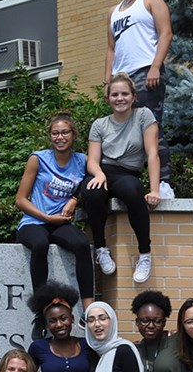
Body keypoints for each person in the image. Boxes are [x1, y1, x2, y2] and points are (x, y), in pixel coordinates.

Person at [67, 73, 162, 285]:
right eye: (115, 94)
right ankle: (101, 249)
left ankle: (144, 254)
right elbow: (92, 160)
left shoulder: (144, 116)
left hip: (128, 173)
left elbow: (153, 153)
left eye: (125, 94)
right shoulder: (100, 124)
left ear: (133, 96)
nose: (120, 98)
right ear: (108, 98)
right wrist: (99, 173)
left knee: (132, 189)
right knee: (92, 192)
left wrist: (155, 190)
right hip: (102, 171)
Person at [104, 0, 174, 198]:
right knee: (126, 130)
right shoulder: (114, 11)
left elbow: (166, 33)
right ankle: (129, 182)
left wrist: (156, 66)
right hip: (122, 78)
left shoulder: (151, 0)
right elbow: (111, 48)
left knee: (151, 127)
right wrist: (108, 80)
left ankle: (163, 183)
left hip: (146, 71)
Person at [15, 111, 94, 317]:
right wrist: (48, 218)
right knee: (40, 244)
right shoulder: (38, 159)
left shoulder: (81, 160)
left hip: (60, 224)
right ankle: (42, 312)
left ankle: (89, 310)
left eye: (65, 132)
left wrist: (74, 200)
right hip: (34, 222)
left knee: (82, 245)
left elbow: (93, 181)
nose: (60, 137)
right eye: (55, 133)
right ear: (50, 136)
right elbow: (20, 200)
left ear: (74, 135)